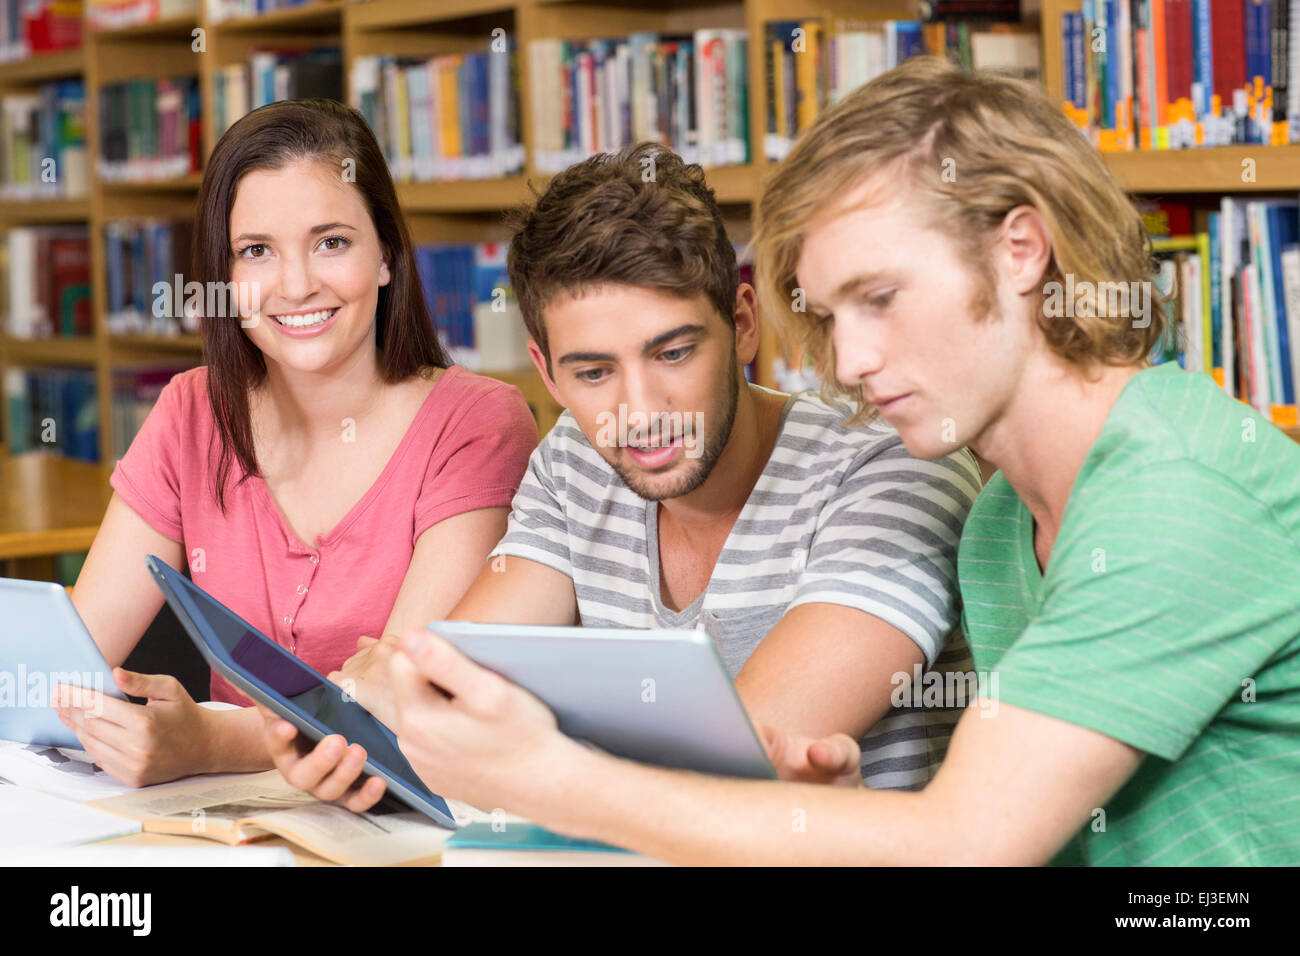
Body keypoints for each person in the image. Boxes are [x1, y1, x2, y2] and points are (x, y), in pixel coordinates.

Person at [264, 57, 1300, 866]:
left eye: (880, 297)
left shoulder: (1173, 494)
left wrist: (546, 774)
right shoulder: (998, 522)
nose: (846, 360)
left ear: (1020, 251)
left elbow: (968, 840)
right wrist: (833, 825)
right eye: (832, 311)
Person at [278, 140, 982, 796]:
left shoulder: (893, 466)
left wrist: (461, 723)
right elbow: (446, 691)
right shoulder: (574, 462)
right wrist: (378, 727)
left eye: (673, 353)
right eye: (592, 372)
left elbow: (744, 760)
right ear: (547, 375)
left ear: (742, 323)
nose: (640, 412)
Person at [55, 99, 537, 787]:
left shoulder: (478, 424)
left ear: (386, 256)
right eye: (256, 251)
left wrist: (213, 741)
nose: (296, 284)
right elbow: (58, 669)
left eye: (331, 242)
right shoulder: (191, 413)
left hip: (405, 830)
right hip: (215, 831)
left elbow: (397, 701)